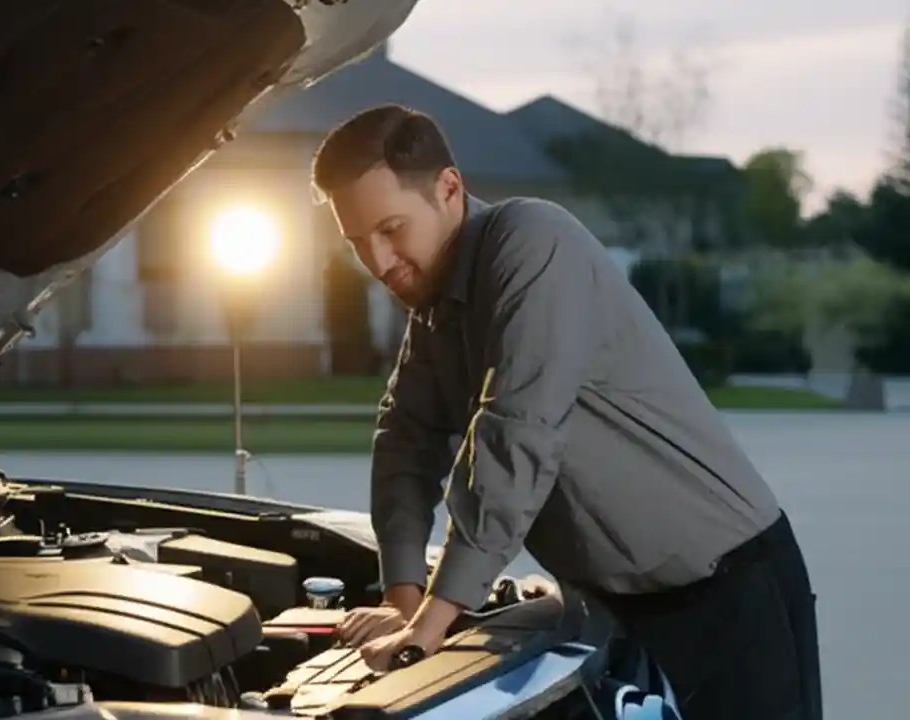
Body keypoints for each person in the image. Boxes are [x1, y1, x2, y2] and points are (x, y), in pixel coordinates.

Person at [311, 104, 822, 720]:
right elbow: (406, 440)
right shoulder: (436, 310)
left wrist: (435, 619)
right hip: (612, 609)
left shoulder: (532, 243)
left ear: (450, 189)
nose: (379, 262)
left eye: (391, 228)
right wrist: (403, 596)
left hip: (729, 595)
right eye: (357, 242)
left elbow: (515, 433)